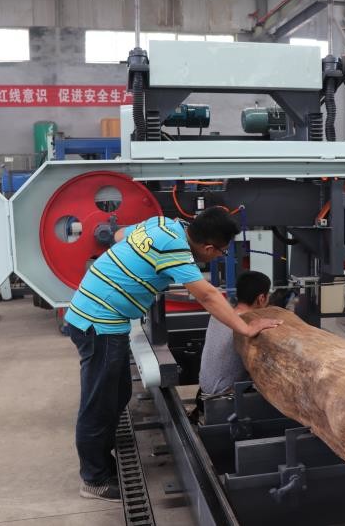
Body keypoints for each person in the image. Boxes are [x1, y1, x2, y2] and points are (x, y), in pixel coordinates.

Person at [64, 207, 282, 501]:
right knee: (99, 403)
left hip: (100, 318)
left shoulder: (162, 223)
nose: (219, 257)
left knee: (118, 393)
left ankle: (100, 454)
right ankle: (94, 480)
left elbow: (119, 235)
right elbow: (207, 295)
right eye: (221, 252)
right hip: (98, 325)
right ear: (208, 248)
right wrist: (246, 327)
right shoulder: (176, 249)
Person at [199, 271, 271, 396]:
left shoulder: (218, 315)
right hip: (225, 395)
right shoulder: (251, 327)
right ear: (261, 299)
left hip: (204, 389)